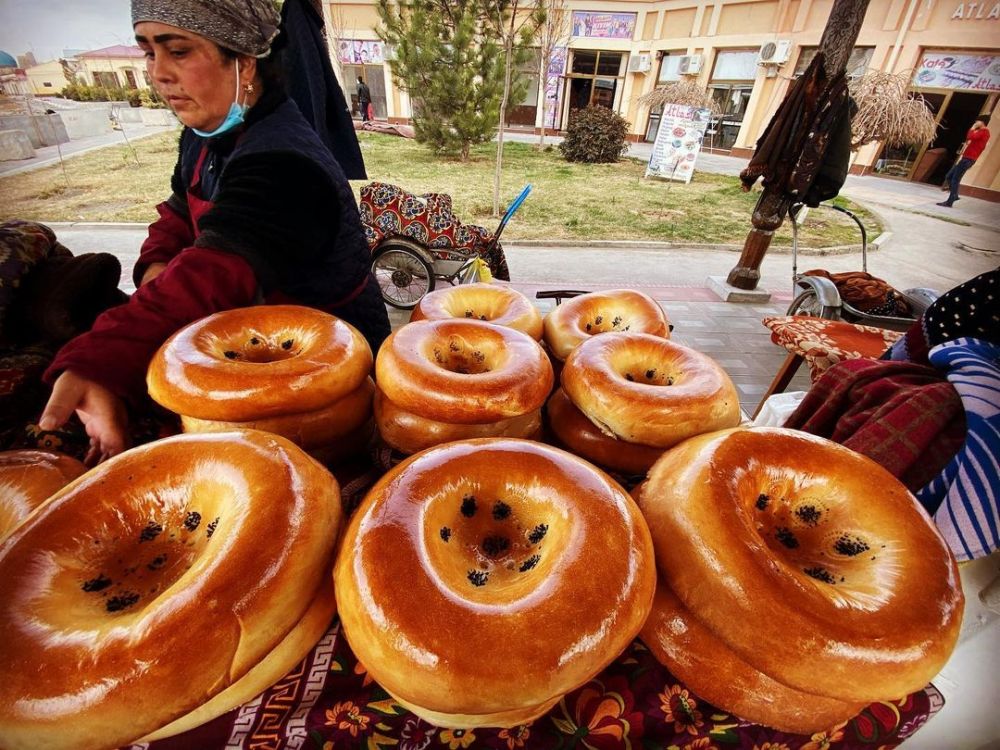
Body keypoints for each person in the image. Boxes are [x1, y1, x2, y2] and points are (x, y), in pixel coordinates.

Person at [37, 0, 390, 464]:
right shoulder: (206, 136)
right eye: (148, 52)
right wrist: (158, 265)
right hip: (241, 343)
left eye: (178, 51)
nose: (158, 74)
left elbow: (213, 273)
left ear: (244, 61)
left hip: (322, 373)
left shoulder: (287, 165)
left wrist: (99, 361)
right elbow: (179, 212)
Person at [938, 114, 990, 208]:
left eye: (977, 121)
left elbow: (970, 137)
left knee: (955, 179)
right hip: (966, 158)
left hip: (969, 159)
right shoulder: (981, 132)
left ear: (982, 122)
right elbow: (970, 139)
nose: (975, 123)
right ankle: (955, 195)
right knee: (949, 176)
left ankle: (950, 201)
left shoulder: (984, 132)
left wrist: (972, 128)